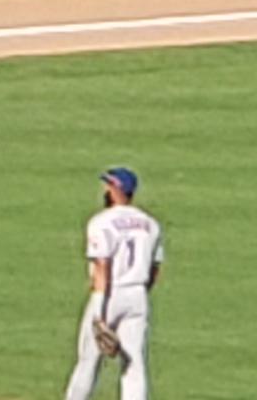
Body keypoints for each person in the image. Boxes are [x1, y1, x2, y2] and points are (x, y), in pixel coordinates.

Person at [66, 165, 163, 400]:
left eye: (108, 186)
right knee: (134, 364)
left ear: (114, 190)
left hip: (109, 295)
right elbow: (155, 268)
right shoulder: (150, 223)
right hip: (137, 295)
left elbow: (102, 266)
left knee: (88, 362)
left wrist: (100, 313)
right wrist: (140, 296)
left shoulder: (101, 222)